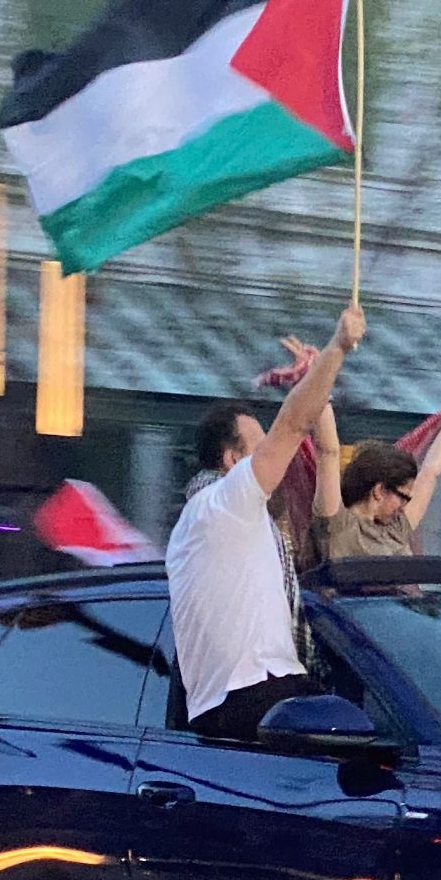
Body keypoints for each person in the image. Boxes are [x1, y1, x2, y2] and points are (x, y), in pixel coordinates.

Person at [168, 298, 365, 742]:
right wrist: (337, 348)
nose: (276, 457)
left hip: (260, 698)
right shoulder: (222, 504)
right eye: (259, 446)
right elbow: (294, 424)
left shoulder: (228, 518)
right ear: (232, 459)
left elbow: (316, 441)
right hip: (248, 704)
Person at [318, 392, 441, 562]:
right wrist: (317, 388)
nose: (405, 506)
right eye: (403, 497)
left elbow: (431, 471)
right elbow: (328, 452)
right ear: (379, 491)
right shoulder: (338, 524)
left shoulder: (397, 528)